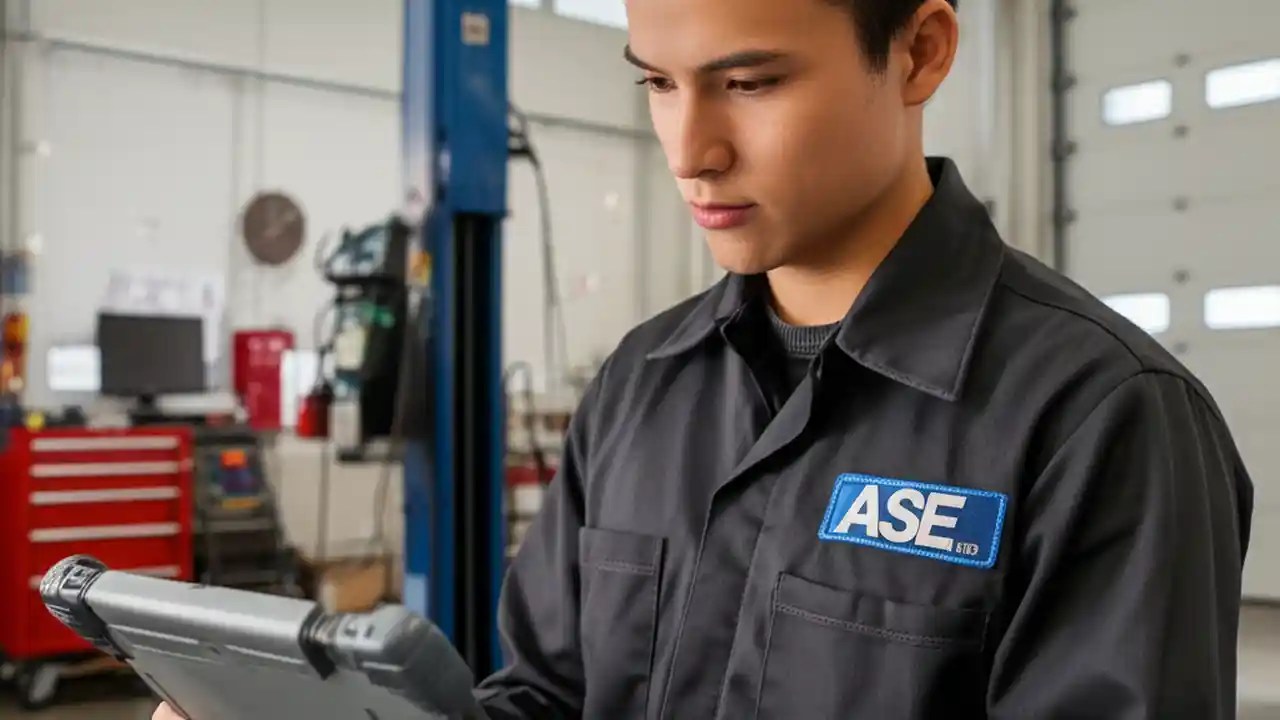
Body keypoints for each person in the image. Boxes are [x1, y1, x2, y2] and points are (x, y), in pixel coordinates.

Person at [157, 0, 1253, 718]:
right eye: (657, 84)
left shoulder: (1099, 417)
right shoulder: (643, 385)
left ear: (918, 52)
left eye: (752, 82)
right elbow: (546, 698)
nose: (690, 151)